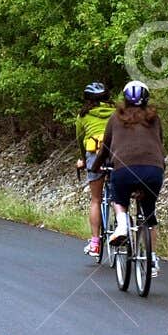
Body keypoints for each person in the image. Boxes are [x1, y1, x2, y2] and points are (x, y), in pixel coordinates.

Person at [99, 81, 165, 267]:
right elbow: (160, 145)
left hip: (123, 170)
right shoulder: (155, 119)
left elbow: (105, 148)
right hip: (153, 171)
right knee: (149, 215)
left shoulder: (115, 118)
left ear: (124, 99)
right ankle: (151, 258)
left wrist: (96, 167)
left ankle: (121, 226)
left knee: (118, 199)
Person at [74, 80, 112, 257]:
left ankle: (95, 243)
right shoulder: (117, 112)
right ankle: (123, 227)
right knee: (121, 198)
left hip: (95, 155)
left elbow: (80, 141)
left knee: (96, 199)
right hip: (117, 155)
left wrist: (83, 159)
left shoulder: (83, 116)